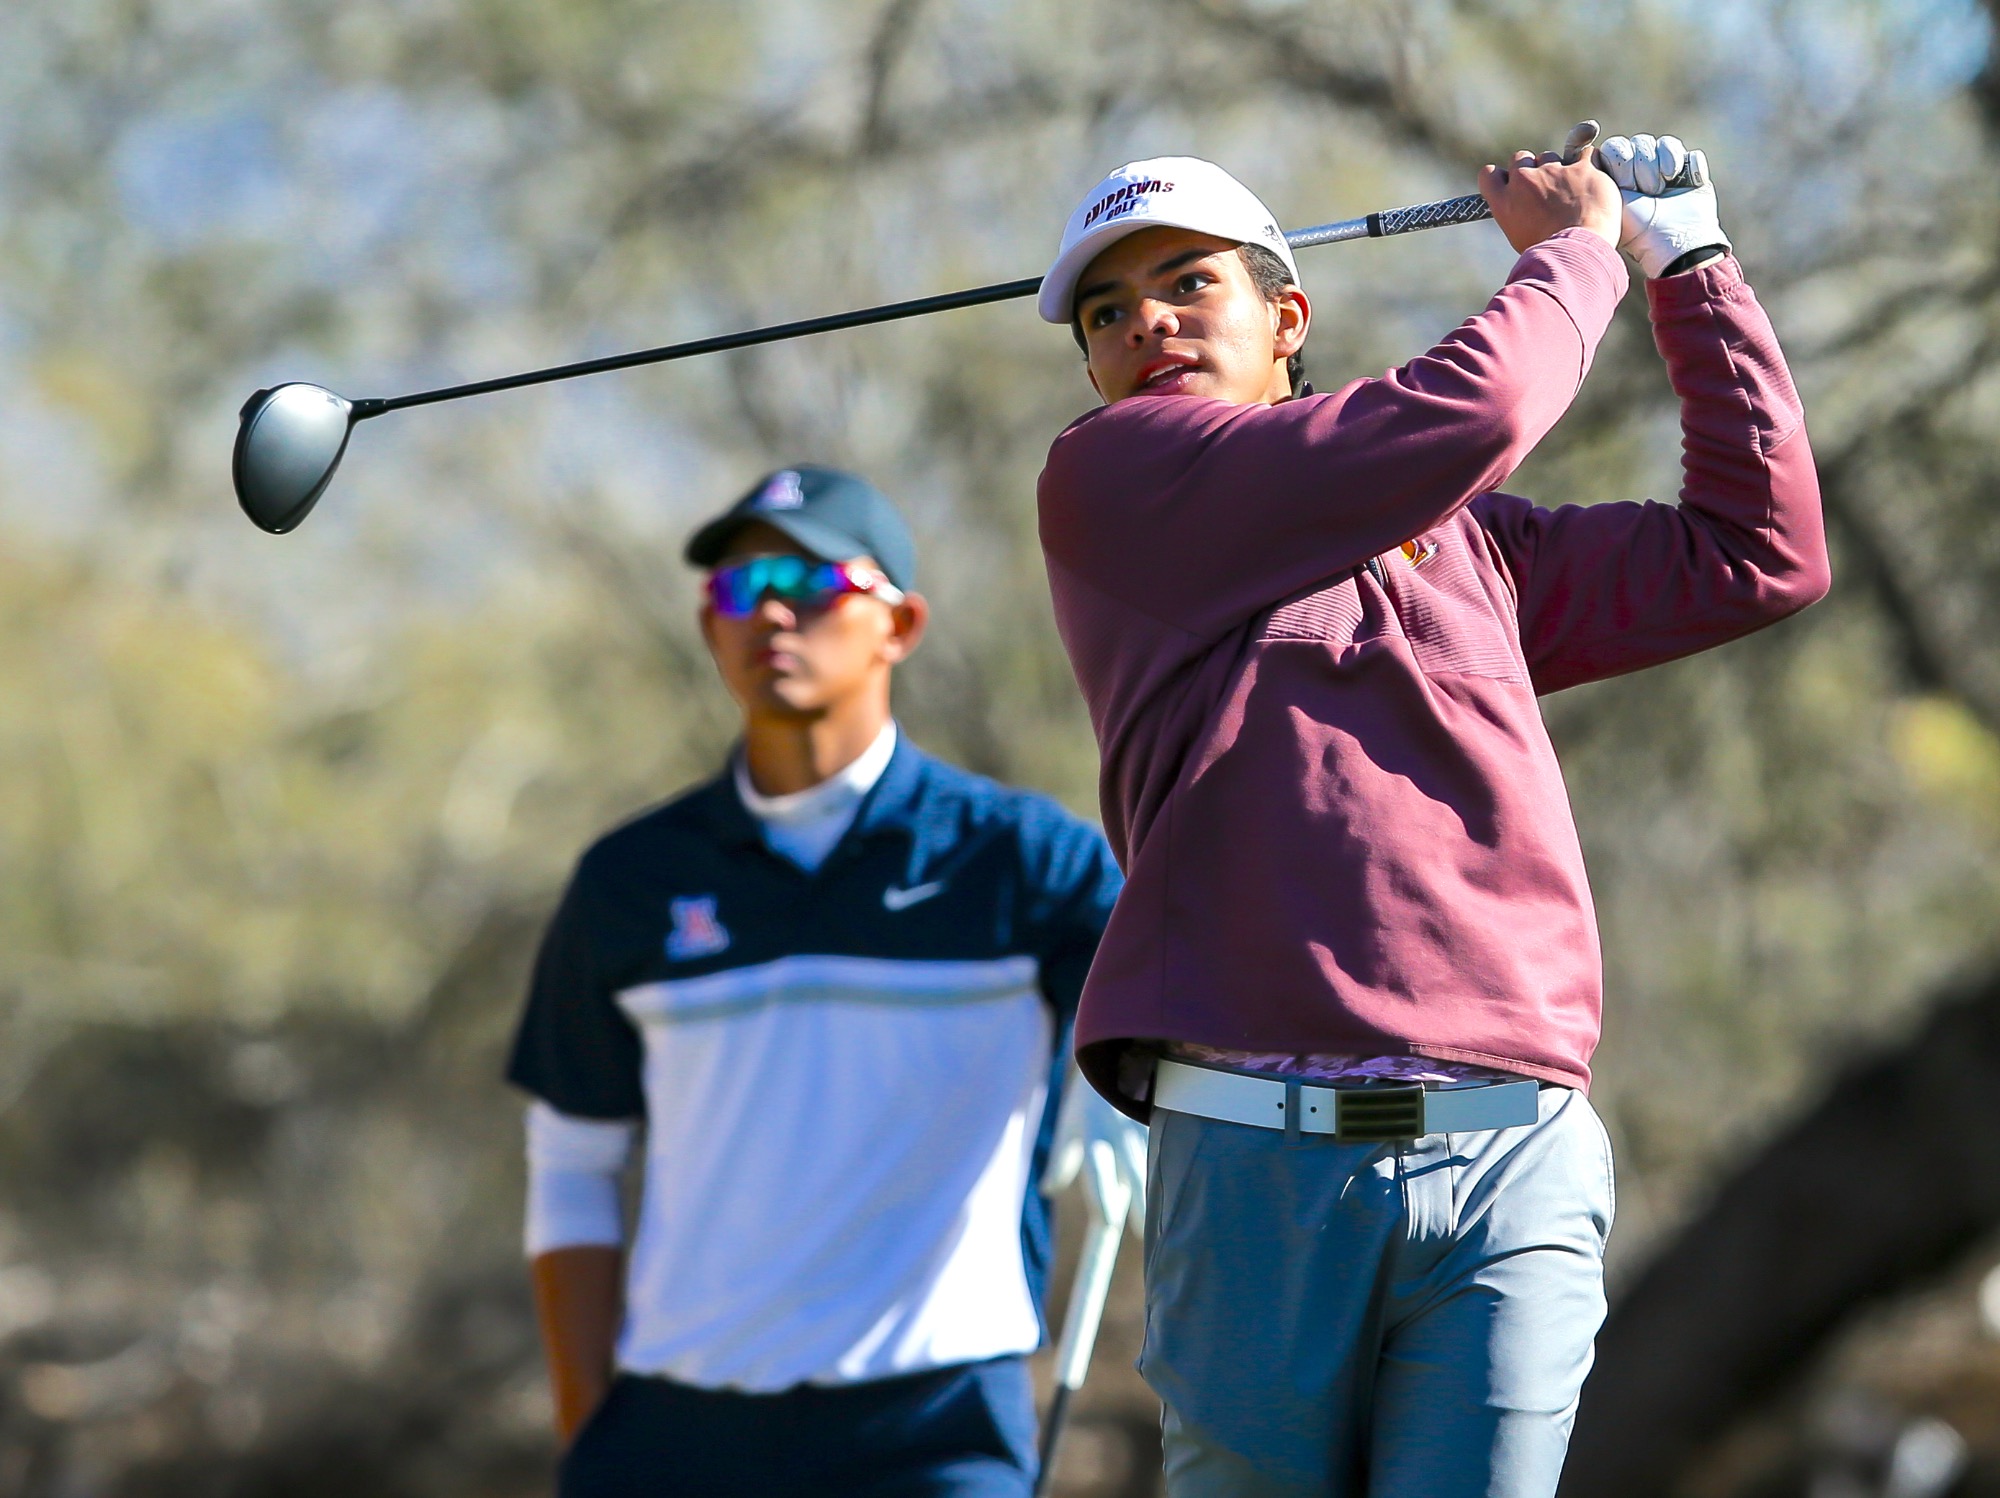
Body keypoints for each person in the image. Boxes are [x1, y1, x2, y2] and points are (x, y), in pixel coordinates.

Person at [1031, 133, 1829, 1496]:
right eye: (1108, 312)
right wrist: (1578, 247)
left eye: (1186, 281)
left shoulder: (1470, 542)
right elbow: (1464, 412)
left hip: (1510, 1151)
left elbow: (1758, 552)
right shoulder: (1115, 481)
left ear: (1289, 317)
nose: (1146, 320)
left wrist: (1688, 259)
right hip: (1254, 1165)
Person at [506, 465, 1134, 1498]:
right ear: (709, 630)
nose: (773, 616)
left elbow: (1169, 1014)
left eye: (812, 584)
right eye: (738, 593)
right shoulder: (630, 879)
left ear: (899, 623)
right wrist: (590, 1432)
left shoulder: (1024, 862)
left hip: (933, 1429)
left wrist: (1123, 1097)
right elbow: (571, 1160)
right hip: (672, 1433)